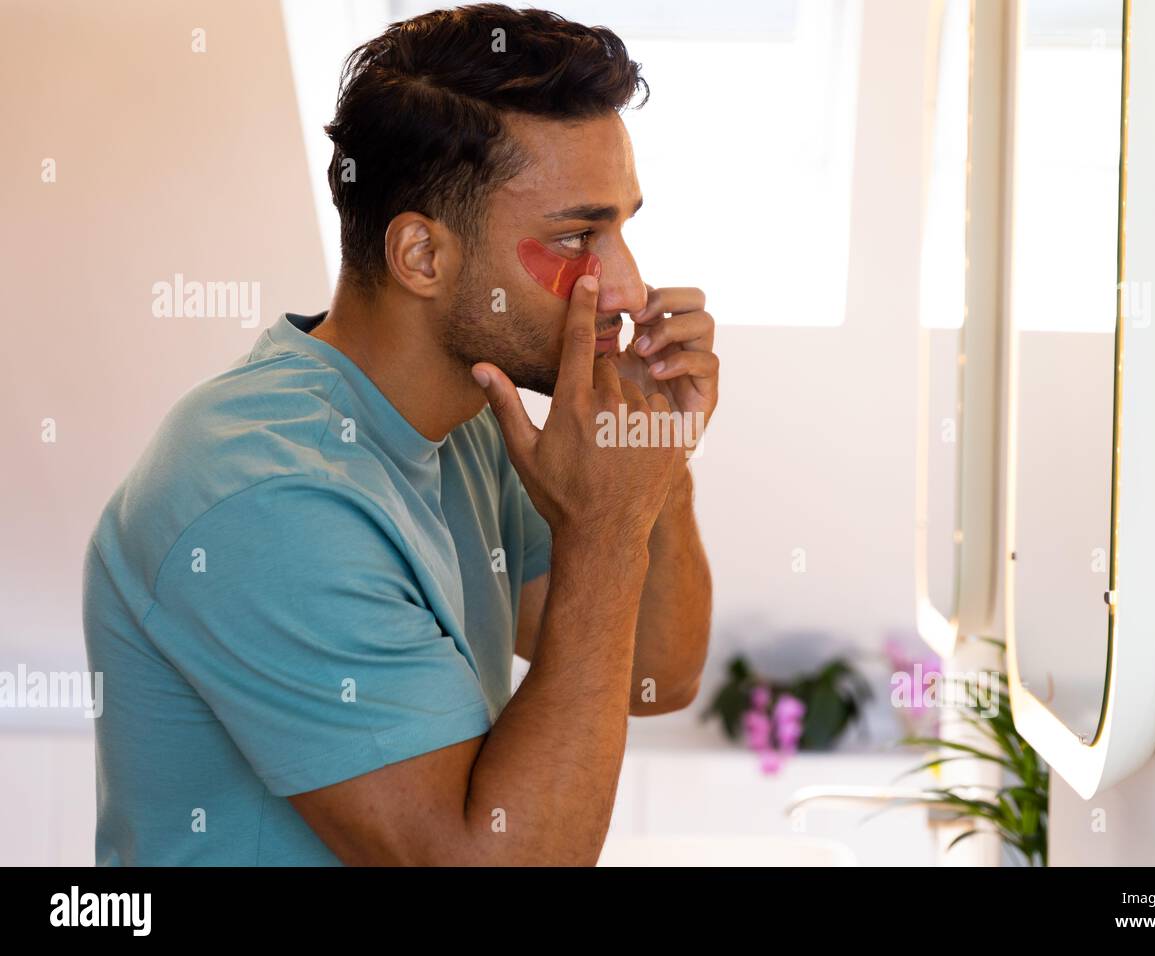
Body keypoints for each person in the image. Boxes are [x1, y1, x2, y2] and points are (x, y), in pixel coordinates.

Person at [82, 3, 718, 865]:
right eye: (577, 235)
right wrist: (604, 535)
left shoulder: (471, 427)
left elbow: (655, 673)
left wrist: (652, 449)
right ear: (423, 257)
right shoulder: (264, 494)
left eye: (623, 228)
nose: (631, 290)